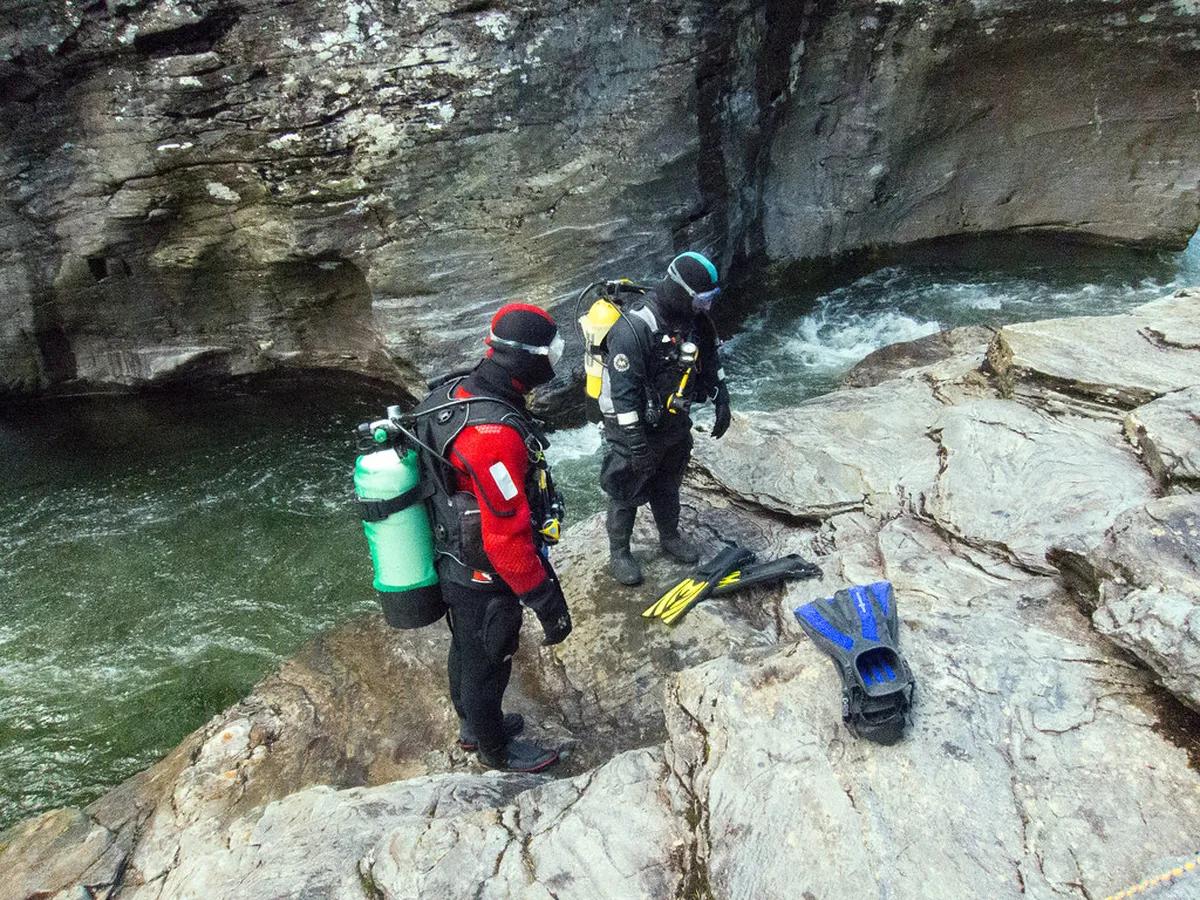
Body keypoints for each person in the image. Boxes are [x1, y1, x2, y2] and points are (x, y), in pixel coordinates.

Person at [411, 303, 572, 773]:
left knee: (466, 645)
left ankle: (470, 725)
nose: (555, 358)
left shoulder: (455, 392)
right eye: (550, 351)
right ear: (524, 359)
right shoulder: (492, 435)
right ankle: (493, 749)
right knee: (490, 656)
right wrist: (547, 600)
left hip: (448, 552)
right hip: (483, 568)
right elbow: (506, 538)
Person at [596, 251, 733, 586]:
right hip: (633, 424)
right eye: (702, 299)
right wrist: (636, 445)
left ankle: (669, 536)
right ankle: (619, 552)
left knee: (668, 483)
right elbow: (623, 395)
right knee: (625, 488)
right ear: (680, 290)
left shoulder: (693, 319)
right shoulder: (635, 328)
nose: (706, 307)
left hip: (673, 418)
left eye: (711, 299)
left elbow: (711, 356)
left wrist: (721, 396)